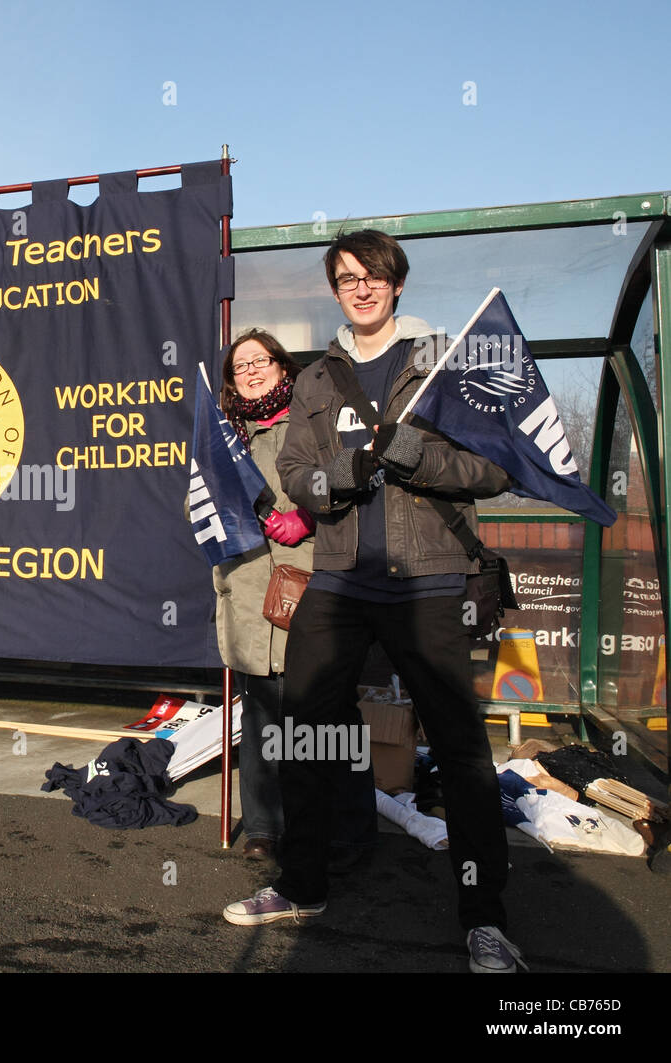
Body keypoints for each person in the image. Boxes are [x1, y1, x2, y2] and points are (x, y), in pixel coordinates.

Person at [224, 230, 524, 974]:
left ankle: (484, 919)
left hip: (427, 578)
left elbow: (497, 466)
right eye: (347, 278)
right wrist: (344, 477)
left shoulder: (443, 361)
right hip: (340, 576)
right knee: (305, 728)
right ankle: (302, 883)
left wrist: (417, 455)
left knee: (460, 749)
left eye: (374, 276)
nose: (361, 288)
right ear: (335, 290)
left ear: (397, 283)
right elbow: (296, 471)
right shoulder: (320, 377)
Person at [213, 329, 376, 865]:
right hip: (248, 588)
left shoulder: (312, 422)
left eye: (262, 361)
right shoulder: (222, 436)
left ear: (284, 368)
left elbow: (352, 481)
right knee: (260, 715)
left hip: (310, 585)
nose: (253, 372)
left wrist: (306, 516)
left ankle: (350, 827)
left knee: (330, 714)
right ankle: (264, 826)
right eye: (241, 367)